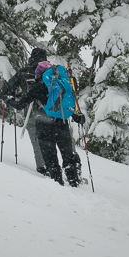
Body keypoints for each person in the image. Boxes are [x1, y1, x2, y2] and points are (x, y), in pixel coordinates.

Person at [33, 59, 84, 187]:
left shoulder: (40, 85)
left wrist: (7, 98)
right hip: (62, 122)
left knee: (50, 155)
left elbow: (22, 103)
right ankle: (74, 180)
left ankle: (56, 180)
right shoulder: (62, 82)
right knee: (67, 153)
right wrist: (76, 115)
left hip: (44, 124)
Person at [0, 46, 49, 174]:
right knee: (53, 140)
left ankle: (43, 167)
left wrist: (10, 97)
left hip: (31, 112)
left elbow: (8, 89)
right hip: (51, 112)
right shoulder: (51, 72)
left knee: (37, 140)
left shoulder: (24, 72)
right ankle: (65, 168)